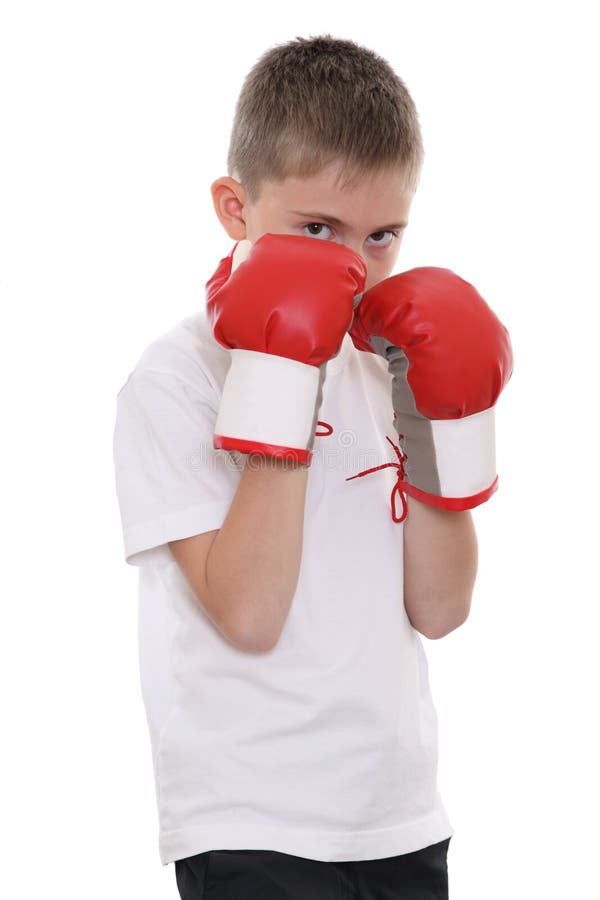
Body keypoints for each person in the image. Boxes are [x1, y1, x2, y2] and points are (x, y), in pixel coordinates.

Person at [112, 34, 513, 899]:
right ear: (234, 207)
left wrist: (441, 413)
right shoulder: (174, 379)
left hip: (401, 813)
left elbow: (441, 610)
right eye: (318, 228)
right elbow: (251, 613)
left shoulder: (388, 364)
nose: (351, 264)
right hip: (252, 819)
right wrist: (280, 371)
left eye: (382, 236)